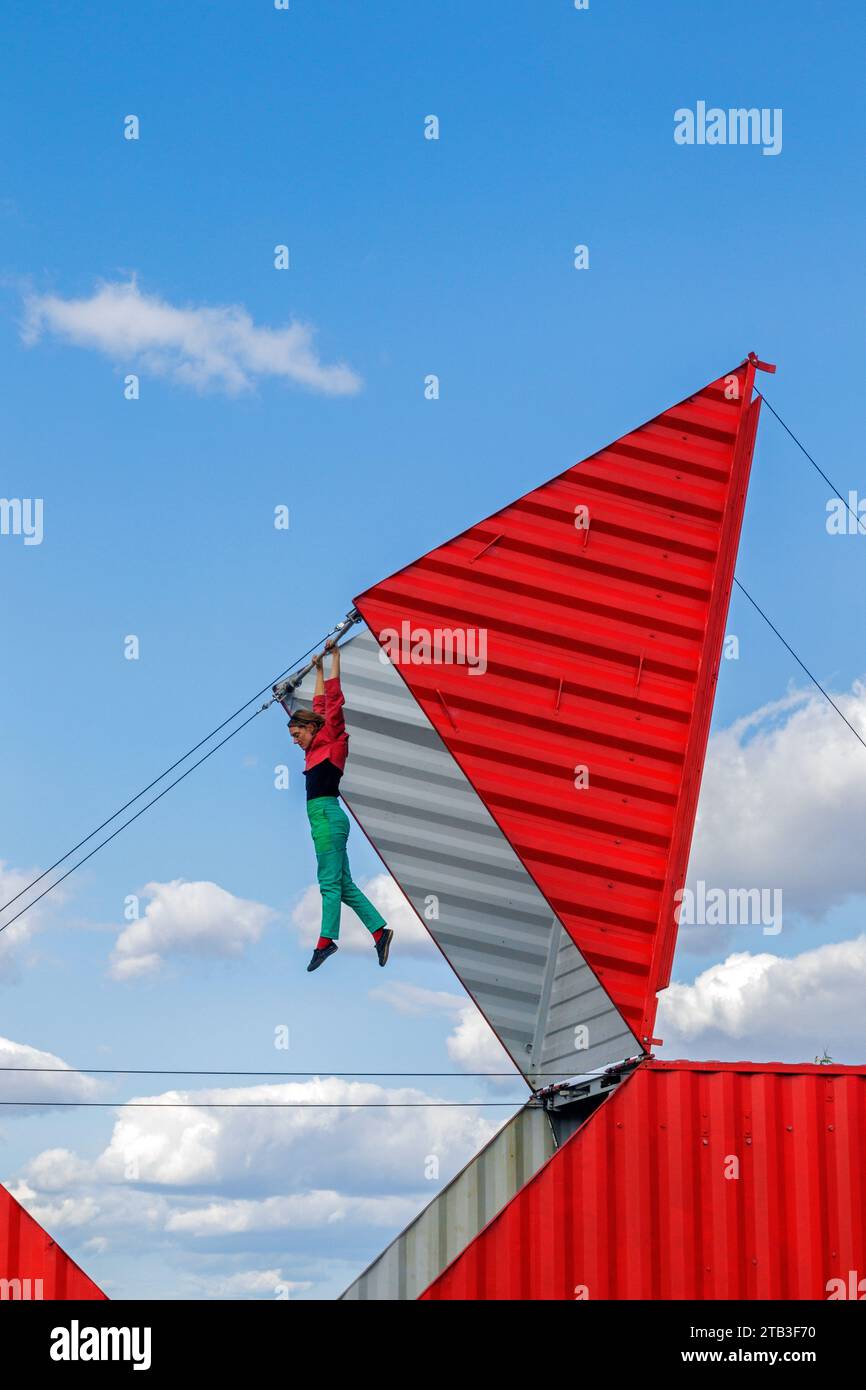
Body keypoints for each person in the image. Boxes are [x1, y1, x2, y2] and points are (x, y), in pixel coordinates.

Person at [289, 639, 393, 972]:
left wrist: (334, 658)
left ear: (311, 729)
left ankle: (325, 940)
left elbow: (332, 701)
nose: (295, 741)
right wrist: (318, 668)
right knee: (343, 883)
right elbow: (320, 702)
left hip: (326, 816)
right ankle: (379, 931)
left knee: (329, 883)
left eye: (297, 735)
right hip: (324, 818)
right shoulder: (314, 745)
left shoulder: (331, 737)